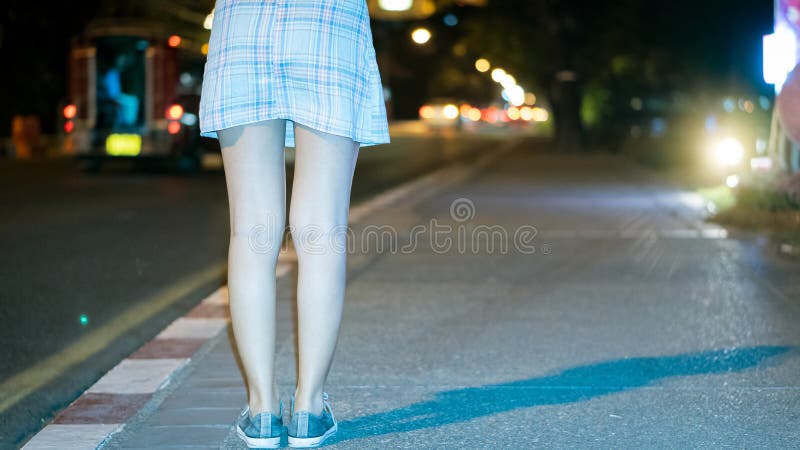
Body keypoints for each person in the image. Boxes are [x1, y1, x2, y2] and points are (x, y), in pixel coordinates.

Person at [198, 1, 390, 448]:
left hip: (243, 27)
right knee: (321, 233)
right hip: (326, 23)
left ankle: (263, 410)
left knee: (251, 232)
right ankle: (308, 408)